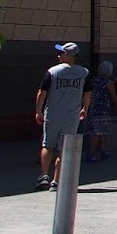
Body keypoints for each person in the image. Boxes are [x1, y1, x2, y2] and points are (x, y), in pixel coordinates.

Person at [35, 42, 91, 191]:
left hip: (53, 114)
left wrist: (38, 110)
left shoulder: (52, 72)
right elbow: (88, 93)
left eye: (61, 53)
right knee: (63, 149)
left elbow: (42, 92)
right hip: (71, 117)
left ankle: (44, 176)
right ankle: (56, 181)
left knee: (48, 145)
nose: (58, 55)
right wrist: (85, 108)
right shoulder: (83, 73)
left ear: (68, 55)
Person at [85, 62, 117, 162]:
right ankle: (91, 153)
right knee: (99, 132)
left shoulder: (92, 81)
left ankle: (103, 151)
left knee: (97, 131)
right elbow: (114, 97)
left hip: (92, 109)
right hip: (103, 110)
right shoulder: (109, 83)